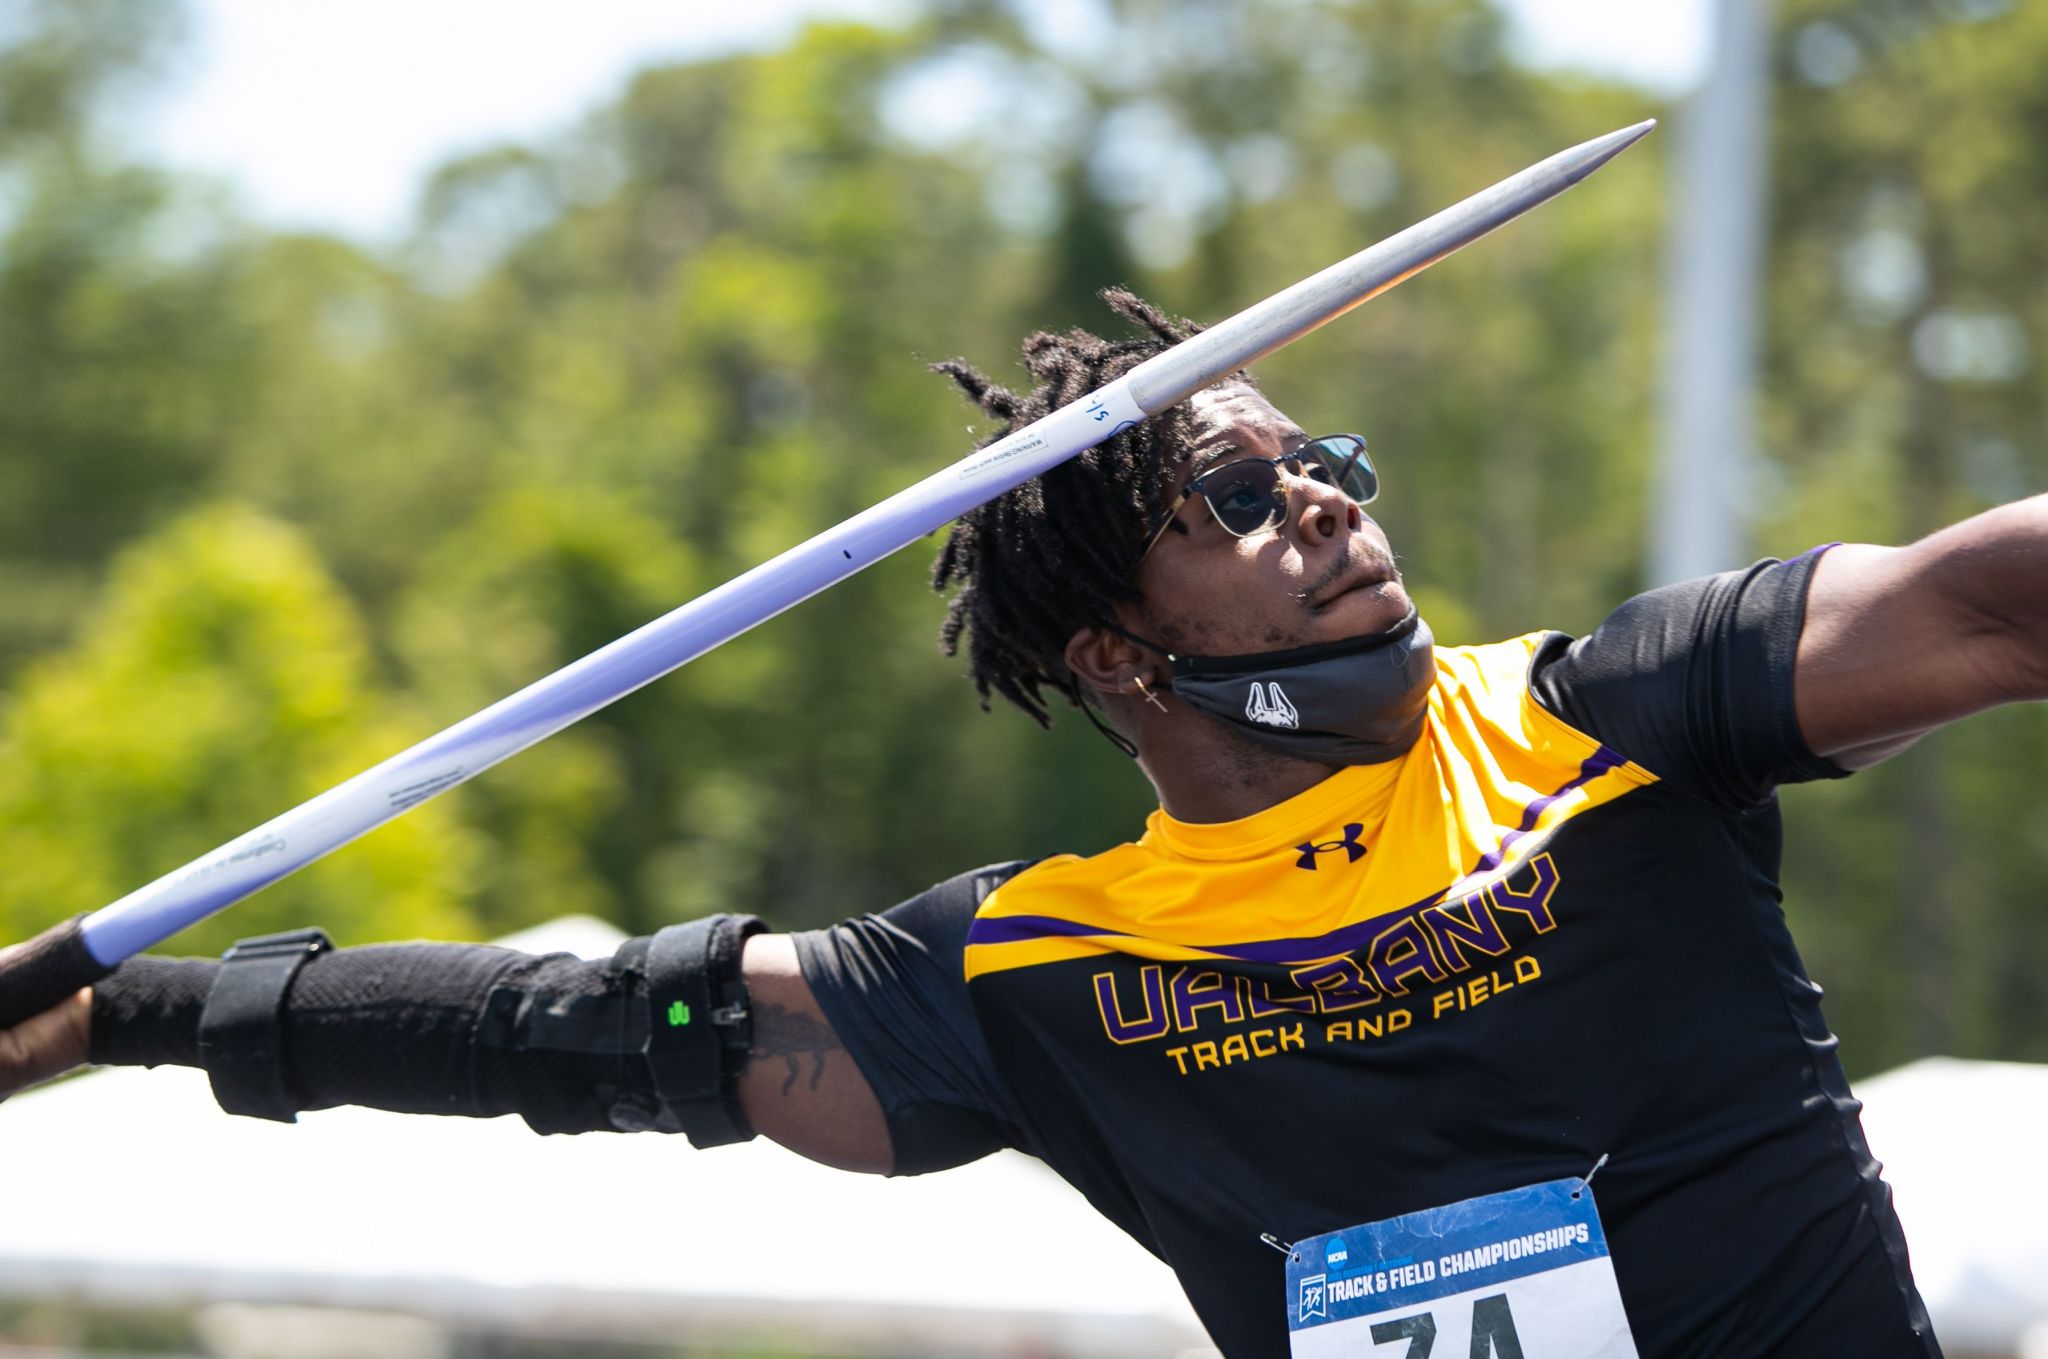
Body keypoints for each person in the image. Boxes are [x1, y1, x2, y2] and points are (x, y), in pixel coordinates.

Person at [4, 290, 2041, 1356]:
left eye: (1321, 456)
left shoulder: (1607, 716)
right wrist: (126, 1013)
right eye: (1234, 497)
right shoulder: (1032, 969)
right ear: (1110, 650)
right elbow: (580, 1032)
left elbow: (1980, 600)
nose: (1325, 497)